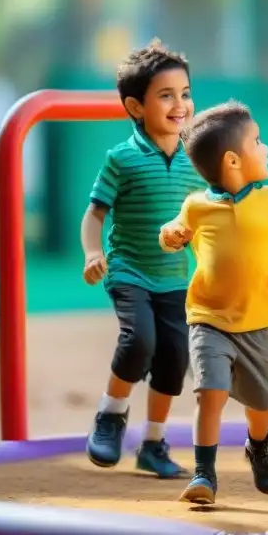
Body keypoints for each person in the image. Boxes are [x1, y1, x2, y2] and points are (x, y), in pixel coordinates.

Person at [158, 100, 268, 505]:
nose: (267, 147)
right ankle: (204, 473)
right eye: (258, 141)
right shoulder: (196, 206)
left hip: (255, 325)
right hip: (208, 319)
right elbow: (176, 228)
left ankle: (259, 445)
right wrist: (168, 232)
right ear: (234, 160)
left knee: (259, 404)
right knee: (210, 391)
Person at [80, 40, 204, 479]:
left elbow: (207, 215)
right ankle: (111, 414)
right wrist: (94, 252)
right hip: (129, 269)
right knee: (139, 341)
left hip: (176, 277)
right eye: (166, 95)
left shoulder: (196, 157)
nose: (180, 104)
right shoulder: (123, 157)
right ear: (136, 106)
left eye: (185, 93)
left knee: (174, 358)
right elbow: (94, 214)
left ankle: (153, 443)